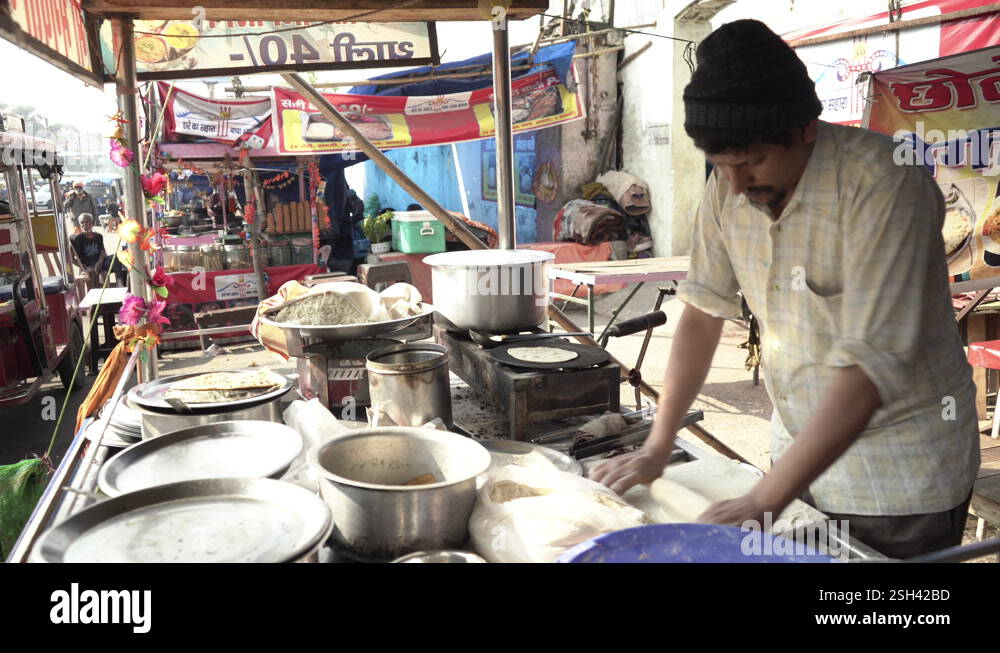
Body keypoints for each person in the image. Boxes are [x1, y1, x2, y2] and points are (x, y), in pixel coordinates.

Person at [590, 19, 979, 559]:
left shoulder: (886, 182)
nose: (735, 184)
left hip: (898, 480)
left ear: (806, 128)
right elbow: (703, 311)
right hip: (794, 456)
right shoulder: (727, 189)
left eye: (750, 161)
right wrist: (657, 446)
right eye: (720, 165)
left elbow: (871, 363)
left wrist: (765, 499)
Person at [70, 214, 108, 286]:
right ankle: (94, 292)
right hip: (87, 265)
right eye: (82, 223)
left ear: (92, 223)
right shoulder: (78, 239)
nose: (85, 224)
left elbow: (102, 251)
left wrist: (100, 261)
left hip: (99, 262)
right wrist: (83, 267)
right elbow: (71, 258)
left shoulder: (98, 236)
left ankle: (105, 289)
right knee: (92, 274)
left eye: (87, 222)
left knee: (109, 265)